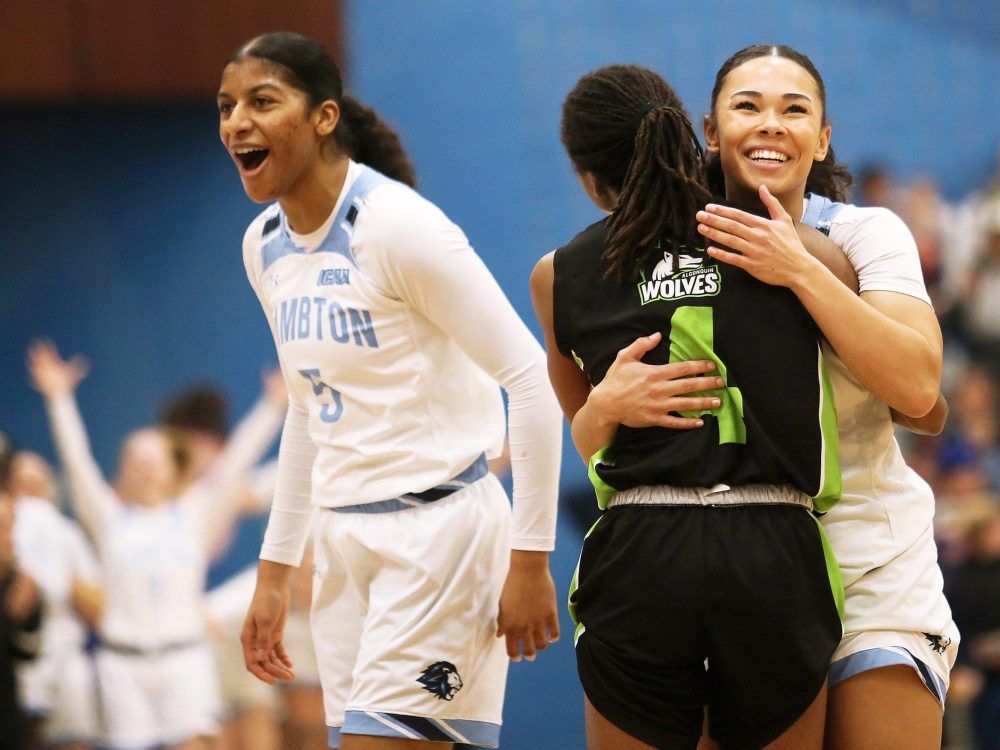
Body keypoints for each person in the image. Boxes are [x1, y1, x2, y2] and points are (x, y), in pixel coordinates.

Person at [585, 46, 957, 749]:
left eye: (794, 110)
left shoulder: (862, 233)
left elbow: (918, 390)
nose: (770, 125)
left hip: (865, 553)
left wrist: (799, 270)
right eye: (748, 106)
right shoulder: (662, 244)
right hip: (735, 561)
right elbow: (589, 426)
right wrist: (602, 409)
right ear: (710, 127)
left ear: (822, 138)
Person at [219, 32, 562, 750]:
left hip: (440, 533)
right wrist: (275, 573)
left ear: (323, 117)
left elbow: (530, 378)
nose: (236, 123)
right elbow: (309, 416)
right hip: (344, 544)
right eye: (226, 107)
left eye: (262, 101)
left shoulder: (399, 227)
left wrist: (531, 558)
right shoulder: (263, 247)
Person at [531, 63, 852, 750]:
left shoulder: (558, 275)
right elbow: (910, 390)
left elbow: (589, 441)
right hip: (773, 540)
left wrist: (611, 403)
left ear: (587, 175)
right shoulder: (787, 243)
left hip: (642, 546)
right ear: (689, 136)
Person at [28, 341, 286, 750]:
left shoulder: (197, 513)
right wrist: (59, 398)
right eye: (137, 460)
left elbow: (237, 459)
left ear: (173, 466)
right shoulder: (109, 518)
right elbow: (76, 463)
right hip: (123, 663)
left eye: (155, 459)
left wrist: (273, 406)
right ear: (124, 469)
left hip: (184, 658)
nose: (146, 468)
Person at [11, 451, 103, 750]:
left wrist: (61, 575)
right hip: (15, 668)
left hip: (66, 664)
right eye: (23, 486)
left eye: (39, 484)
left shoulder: (68, 534)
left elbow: (98, 612)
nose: (32, 496)